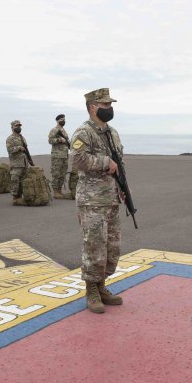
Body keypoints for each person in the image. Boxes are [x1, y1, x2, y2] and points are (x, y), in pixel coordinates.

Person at [71, 88, 125, 313]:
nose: (109, 109)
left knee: (111, 246)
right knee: (94, 246)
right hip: (92, 199)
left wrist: (123, 187)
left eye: (110, 105)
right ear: (93, 107)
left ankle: (102, 285)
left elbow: (119, 162)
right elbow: (77, 160)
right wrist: (105, 162)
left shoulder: (111, 132)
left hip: (111, 197)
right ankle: (91, 290)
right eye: (105, 106)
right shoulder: (83, 132)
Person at [5, 120, 30, 206]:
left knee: (23, 181)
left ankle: (21, 197)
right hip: (16, 164)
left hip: (24, 163)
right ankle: (15, 198)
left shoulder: (22, 138)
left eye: (19, 126)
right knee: (15, 180)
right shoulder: (10, 138)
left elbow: (26, 150)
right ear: (12, 127)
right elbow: (10, 150)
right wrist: (18, 148)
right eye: (16, 126)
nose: (19, 127)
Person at [48, 114, 71, 199]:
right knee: (56, 173)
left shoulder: (64, 130)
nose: (63, 120)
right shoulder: (54, 130)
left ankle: (60, 190)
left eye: (64, 119)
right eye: (61, 119)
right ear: (57, 120)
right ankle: (55, 191)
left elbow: (67, 142)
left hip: (64, 155)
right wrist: (59, 139)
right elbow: (50, 140)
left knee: (63, 173)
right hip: (57, 155)